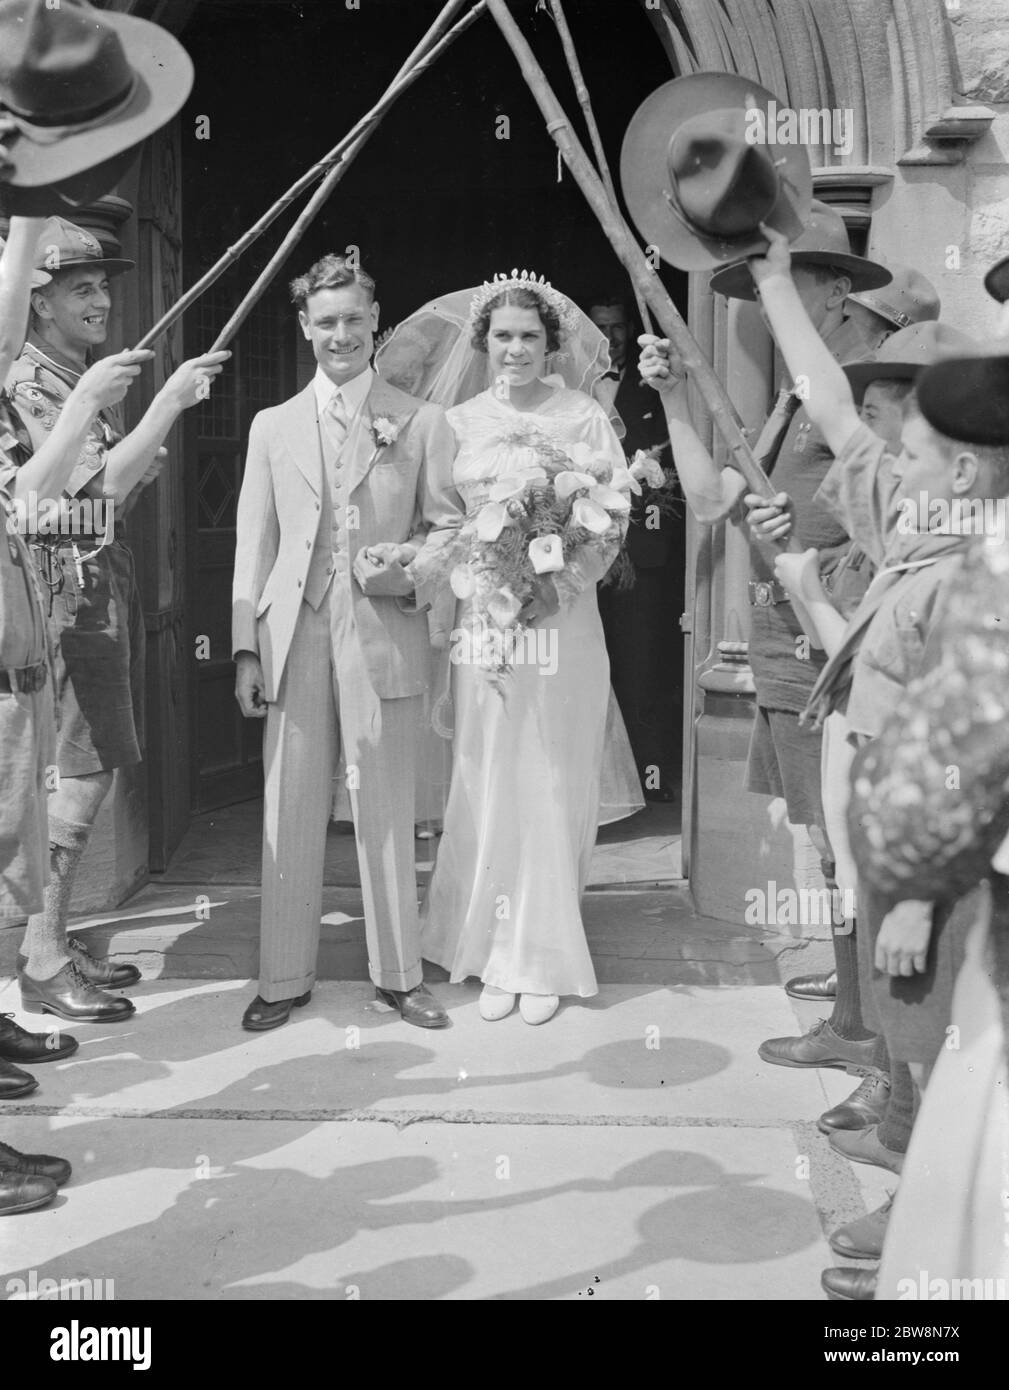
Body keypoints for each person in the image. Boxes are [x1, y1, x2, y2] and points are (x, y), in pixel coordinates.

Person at [744, 224, 1009, 1299]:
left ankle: (931, 1216)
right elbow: (829, 408)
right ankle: (921, 1181)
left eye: (912, 439)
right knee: (918, 1023)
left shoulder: (970, 575)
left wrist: (807, 594)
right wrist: (770, 283)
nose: (882, 447)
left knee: (942, 1019)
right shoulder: (913, 527)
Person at [642, 201, 888, 1074]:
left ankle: (873, 1037)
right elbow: (712, 501)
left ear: (831, 294)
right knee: (825, 845)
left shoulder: (867, 389)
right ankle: (854, 1015)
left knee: (848, 843)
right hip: (788, 653)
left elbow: (890, 520)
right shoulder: (790, 396)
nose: (755, 303)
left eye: (773, 285)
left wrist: (814, 534)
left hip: (834, 650)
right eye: (747, 289)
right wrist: (673, 396)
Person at [379, 272, 628, 1025]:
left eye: (528, 336)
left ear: (549, 344)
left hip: (561, 617)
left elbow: (610, 515)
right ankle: (489, 946)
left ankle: (540, 956)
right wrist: (420, 566)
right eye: (502, 337)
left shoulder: (584, 416)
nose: (514, 349)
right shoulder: (456, 421)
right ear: (482, 345)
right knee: (488, 774)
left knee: (550, 772)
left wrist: (557, 585)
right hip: (483, 619)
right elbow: (449, 521)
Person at [232, 254, 463, 1033]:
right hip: (292, 633)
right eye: (325, 321)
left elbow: (448, 532)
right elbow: (251, 547)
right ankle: (282, 978)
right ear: (305, 328)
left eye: (354, 319)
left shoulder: (422, 421)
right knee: (288, 806)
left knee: (386, 809)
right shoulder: (272, 426)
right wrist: (245, 651)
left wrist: (404, 567)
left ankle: (398, 975)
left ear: (376, 323)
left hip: (381, 634)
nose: (341, 333)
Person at [6, 217, 228, 1024]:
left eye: (103, 287)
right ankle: (40, 956)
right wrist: (163, 409)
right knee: (79, 771)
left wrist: (131, 453)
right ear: (38, 304)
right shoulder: (31, 386)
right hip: (66, 597)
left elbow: (101, 495)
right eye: (82, 289)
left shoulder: (70, 376)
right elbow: (75, 506)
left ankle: (52, 944)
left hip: (97, 586)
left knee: (87, 767)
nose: (102, 301)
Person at [590, 293, 682, 803]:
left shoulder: (654, 386)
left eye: (618, 325)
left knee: (641, 662)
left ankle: (649, 775)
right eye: (600, 325)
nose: (611, 336)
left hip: (641, 552)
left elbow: (672, 465)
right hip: (579, 549)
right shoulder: (573, 383)